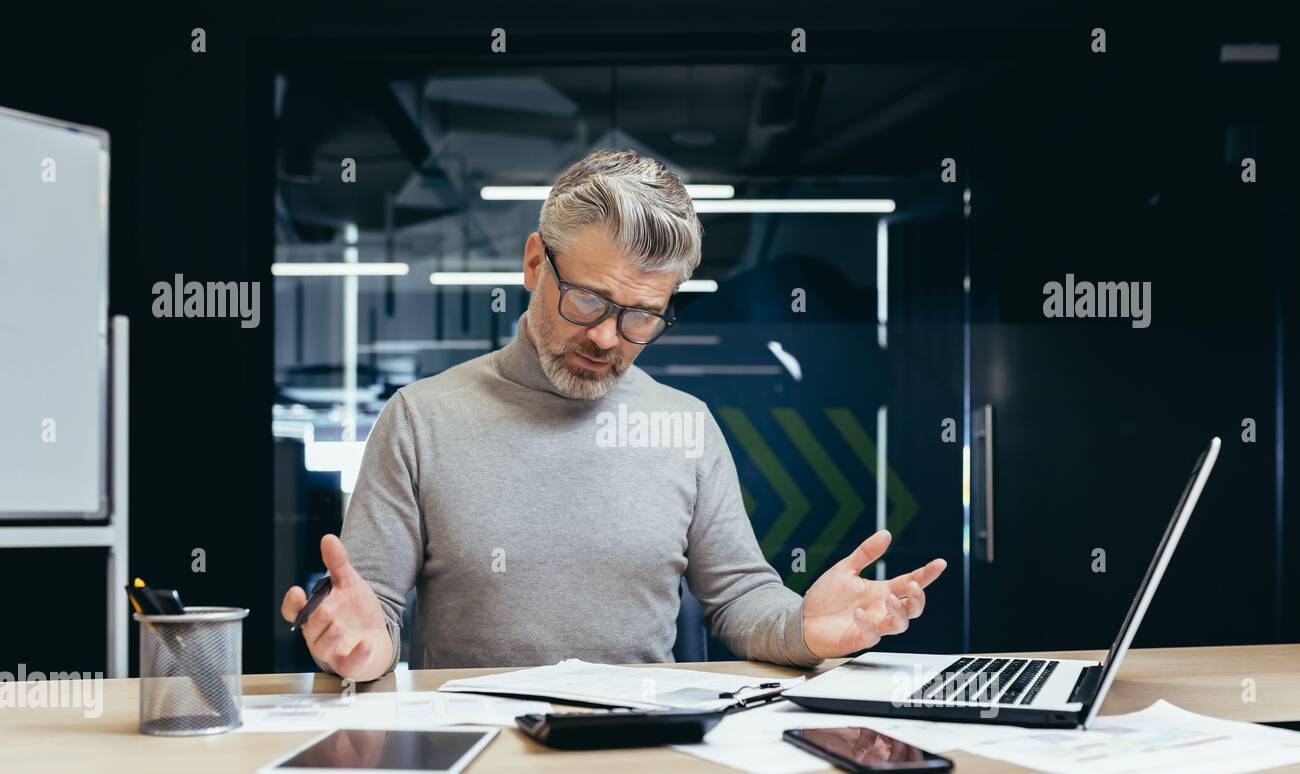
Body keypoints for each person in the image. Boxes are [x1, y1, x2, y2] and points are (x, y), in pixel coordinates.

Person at [280, 148, 947, 681]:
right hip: (477, 770)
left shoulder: (685, 425)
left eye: (641, 316)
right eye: (590, 301)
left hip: (641, 763)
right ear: (536, 263)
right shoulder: (418, 421)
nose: (607, 337)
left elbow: (741, 599)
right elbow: (372, 619)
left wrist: (805, 626)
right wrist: (356, 648)